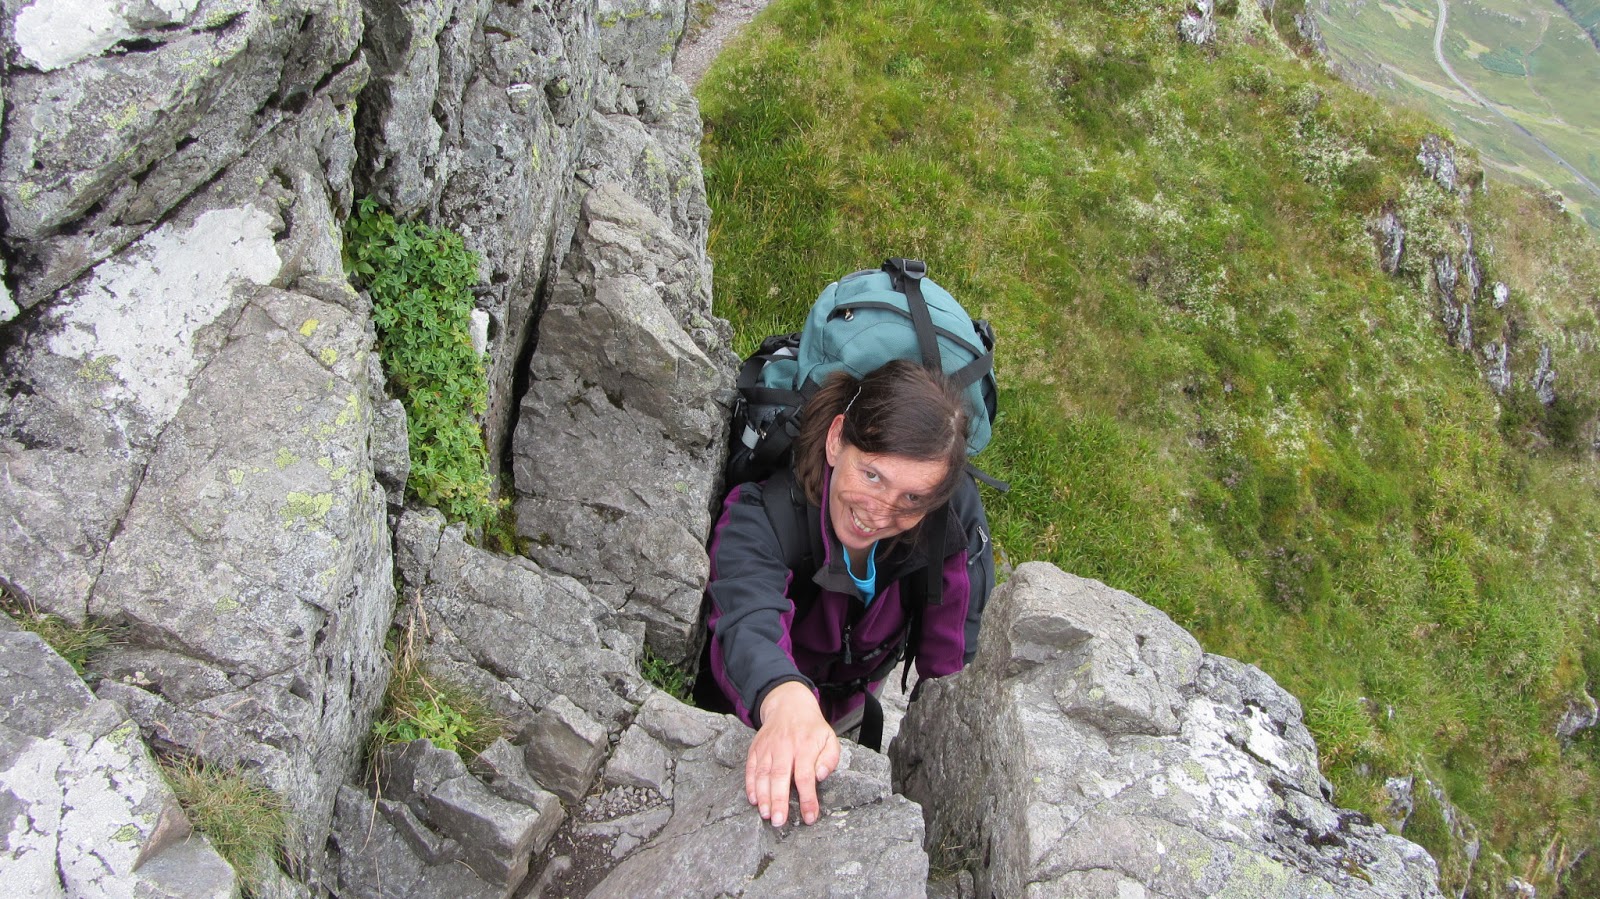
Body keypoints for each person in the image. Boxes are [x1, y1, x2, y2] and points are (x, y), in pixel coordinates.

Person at [701, 359, 995, 828]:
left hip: (851, 697)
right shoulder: (765, 515)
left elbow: (952, 664)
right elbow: (747, 614)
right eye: (873, 476)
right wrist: (785, 700)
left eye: (913, 498)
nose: (880, 513)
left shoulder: (948, 524)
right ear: (837, 439)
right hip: (760, 704)